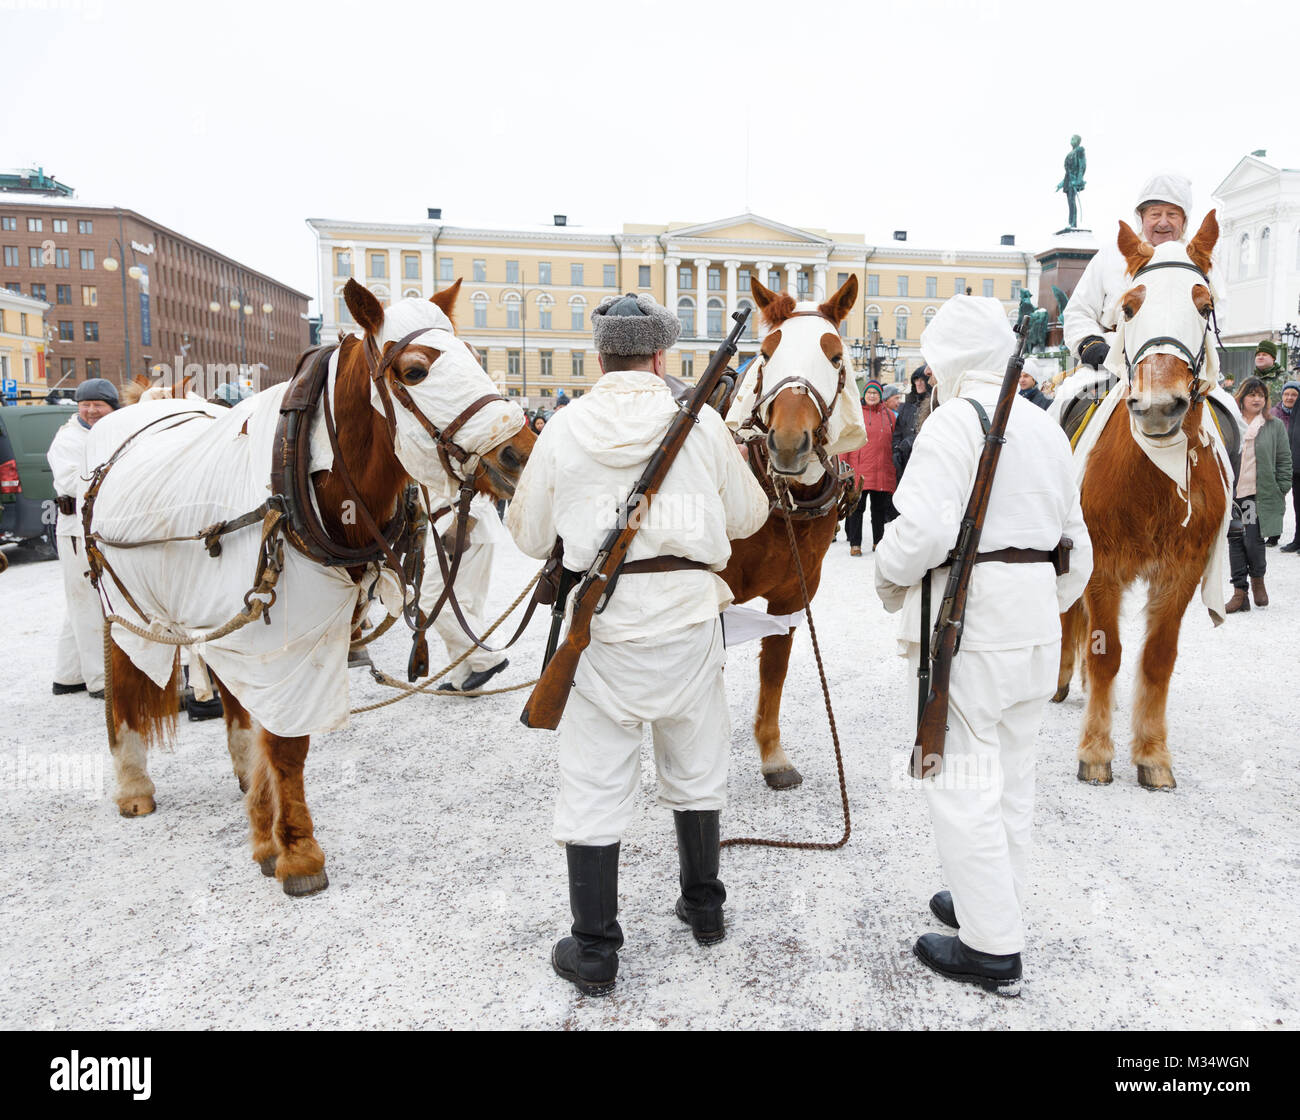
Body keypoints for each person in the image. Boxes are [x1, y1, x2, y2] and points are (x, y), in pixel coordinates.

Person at [505, 293, 768, 997]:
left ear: (599, 357)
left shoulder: (563, 426)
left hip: (605, 627)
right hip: (686, 622)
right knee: (697, 761)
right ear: (660, 357)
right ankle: (705, 908)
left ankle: (593, 949)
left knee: (594, 782)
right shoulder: (704, 424)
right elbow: (749, 517)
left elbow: (529, 535)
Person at [874, 296, 1092, 996]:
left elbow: (921, 537)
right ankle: (992, 903)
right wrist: (1038, 602)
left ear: (948, 360)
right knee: (1012, 783)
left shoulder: (952, 424)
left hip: (972, 630)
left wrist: (884, 579)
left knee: (963, 783)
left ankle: (991, 947)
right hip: (1033, 631)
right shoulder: (1048, 429)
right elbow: (1077, 552)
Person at [48, 378, 118, 698]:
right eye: (85, 404)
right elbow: (74, 483)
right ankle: (101, 679)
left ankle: (69, 674)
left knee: (80, 602)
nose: (91, 411)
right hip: (76, 528)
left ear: (111, 407)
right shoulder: (69, 439)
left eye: (98, 405)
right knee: (89, 603)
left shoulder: (107, 431)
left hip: (92, 526)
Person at [420, 492, 510, 692]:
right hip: (449, 522)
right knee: (464, 606)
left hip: (461, 523)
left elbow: (486, 481)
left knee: (432, 601)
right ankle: (464, 680)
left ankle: (488, 658)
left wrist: (465, 524)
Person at [1226, 378, 1291, 611]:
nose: (1257, 399)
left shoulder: (1273, 426)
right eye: (1252, 394)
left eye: (1261, 395)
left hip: (1254, 494)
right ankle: (1239, 593)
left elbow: (1284, 458)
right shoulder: (1231, 423)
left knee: (1251, 540)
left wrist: (1281, 486)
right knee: (1235, 540)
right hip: (1232, 494)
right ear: (1242, 398)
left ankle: (1258, 581)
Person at [840, 379, 897, 556]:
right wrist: (843, 466)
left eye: (875, 393)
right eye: (869, 393)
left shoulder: (889, 415)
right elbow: (845, 440)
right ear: (864, 395)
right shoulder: (855, 414)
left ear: (880, 396)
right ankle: (855, 544)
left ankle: (878, 542)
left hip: (882, 468)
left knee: (879, 510)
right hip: (859, 469)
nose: (872, 396)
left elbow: (894, 439)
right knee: (857, 509)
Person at [1273, 380, 1300, 552]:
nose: (1290, 397)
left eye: (1294, 394)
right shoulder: (1276, 412)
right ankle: (1298, 539)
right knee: (1297, 504)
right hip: (1295, 463)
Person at [892, 367, 932, 481]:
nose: (918, 383)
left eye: (921, 380)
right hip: (904, 459)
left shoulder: (934, 404)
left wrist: (912, 440)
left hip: (924, 458)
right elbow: (898, 431)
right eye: (916, 380)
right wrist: (896, 451)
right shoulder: (907, 406)